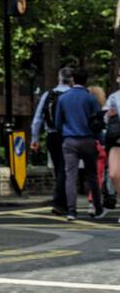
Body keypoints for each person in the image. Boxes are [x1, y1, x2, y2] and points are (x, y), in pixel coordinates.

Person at [54, 67, 105, 221]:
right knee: (93, 176)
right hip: (88, 140)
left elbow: (57, 123)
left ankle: (71, 211)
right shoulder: (90, 99)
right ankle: (98, 208)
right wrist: (101, 140)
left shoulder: (63, 98)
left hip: (69, 140)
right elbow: (98, 122)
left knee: (70, 176)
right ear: (86, 81)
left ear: (73, 80)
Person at [31, 65, 73, 216]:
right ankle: (60, 202)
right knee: (65, 170)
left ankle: (62, 201)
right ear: (72, 79)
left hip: (52, 136)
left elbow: (37, 119)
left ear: (59, 78)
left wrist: (34, 139)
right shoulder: (73, 94)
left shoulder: (48, 95)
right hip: (68, 135)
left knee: (58, 169)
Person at [104, 66, 120, 223]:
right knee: (114, 174)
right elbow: (104, 118)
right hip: (116, 139)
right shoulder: (114, 97)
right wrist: (108, 116)